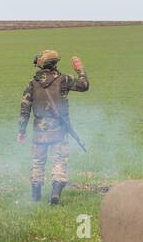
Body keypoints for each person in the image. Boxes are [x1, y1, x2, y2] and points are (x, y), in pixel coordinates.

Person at [18, 50, 89, 204]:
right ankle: (55, 194)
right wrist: (80, 71)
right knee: (59, 160)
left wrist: (21, 131)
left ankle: (35, 197)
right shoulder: (64, 79)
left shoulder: (32, 83)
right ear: (55, 63)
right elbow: (84, 86)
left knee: (37, 162)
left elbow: (25, 108)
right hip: (59, 129)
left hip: (39, 130)